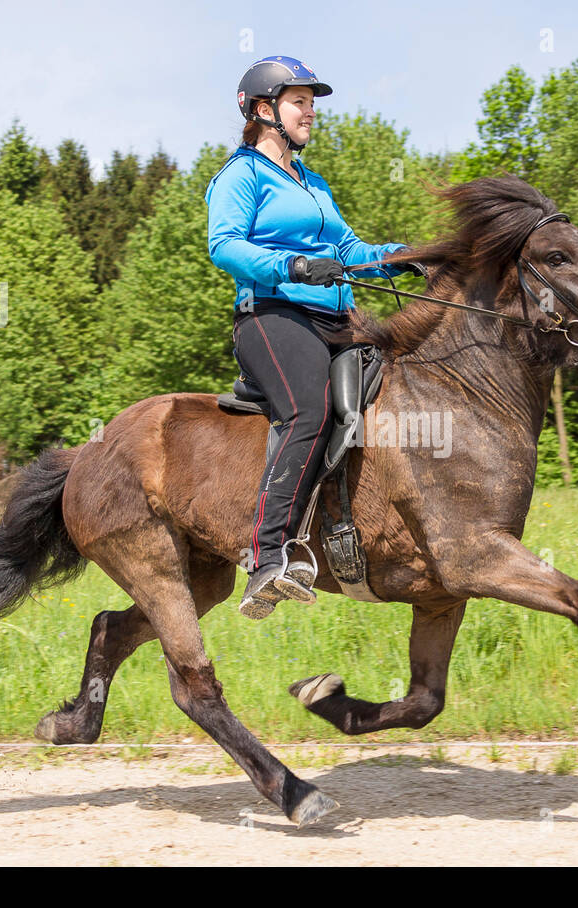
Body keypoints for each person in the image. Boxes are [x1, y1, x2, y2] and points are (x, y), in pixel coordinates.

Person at [205, 55, 420, 620]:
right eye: (300, 102)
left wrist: (399, 258)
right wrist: (294, 267)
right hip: (272, 315)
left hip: (335, 319)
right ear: (263, 109)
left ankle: (339, 533)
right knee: (307, 410)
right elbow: (224, 245)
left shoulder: (313, 182)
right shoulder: (241, 175)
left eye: (312, 103)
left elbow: (349, 252)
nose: (311, 112)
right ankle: (266, 555)